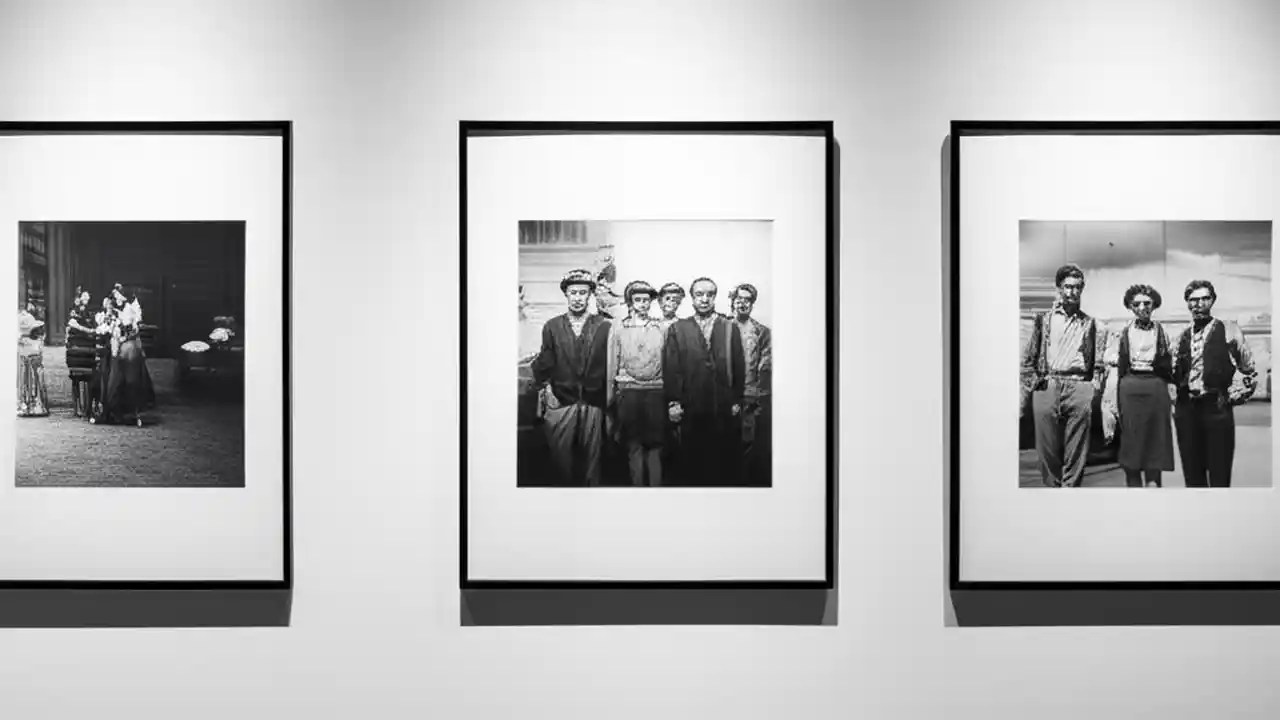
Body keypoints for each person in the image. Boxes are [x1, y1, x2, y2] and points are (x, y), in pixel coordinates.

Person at [1020, 264, 1108, 488]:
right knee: (1046, 447)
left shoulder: (1091, 323)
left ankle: (1070, 493)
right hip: (1048, 384)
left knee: (1077, 448)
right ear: (1058, 288)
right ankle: (1052, 491)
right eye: (1067, 287)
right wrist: (1032, 383)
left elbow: (1098, 361)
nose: (1072, 292)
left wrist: (1092, 388)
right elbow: (1028, 358)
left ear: (1082, 289)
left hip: (1079, 385)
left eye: (1077, 287)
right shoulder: (1043, 320)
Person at [1171, 279, 1258, 488]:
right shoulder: (1180, 336)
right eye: (1193, 300)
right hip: (1187, 410)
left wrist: (1238, 394)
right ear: (1187, 303)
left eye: (1204, 299)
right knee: (1192, 474)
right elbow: (1172, 374)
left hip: (1216, 408)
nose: (1198, 304)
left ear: (1212, 301)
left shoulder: (1229, 330)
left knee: (1219, 473)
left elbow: (1249, 369)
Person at [530, 269, 612, 486]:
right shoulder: (553, 326)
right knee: (561, 459)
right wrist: (545, 391)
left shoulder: (604, 325)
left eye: (583, 293)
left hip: (594, 401)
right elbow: (545, 362)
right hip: (562, 400)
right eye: (573, 292)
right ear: (566, 294)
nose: (577, 298)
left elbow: (611, 363)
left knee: (593, 461)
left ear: (590, 295)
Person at [662, 277, 746, 486]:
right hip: (692, 405)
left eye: (709, 294)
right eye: (699, 294)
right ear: (692, 298)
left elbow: (739, 364)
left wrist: (736, 399)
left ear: (715, 297)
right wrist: (674, 402)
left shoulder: (728, 327)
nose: (705, 299)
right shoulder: (678, 328)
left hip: (722, 404)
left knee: (722, 460)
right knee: (691, 460)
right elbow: (672, 368)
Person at [1103, 284, 1175, 488]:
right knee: (1132, 443)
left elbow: (1170, 361)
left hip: (1155, 387)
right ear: (1130, 307)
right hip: (1130, 387)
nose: (1142, 307)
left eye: (1147, 303)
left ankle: (1154, 489)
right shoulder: (1121, 331)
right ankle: (1133, 492)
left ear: (1154, 305)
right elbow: (1109, 357)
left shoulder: (1162, 331)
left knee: (1156, 443)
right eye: (1137, 304)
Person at [605, 281, 667, 487]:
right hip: (629, 392)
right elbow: (612, 362)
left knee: (656, 445)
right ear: (630, 303)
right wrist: (610, 399)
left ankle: (656, 489)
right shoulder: (619, 328)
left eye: (646, 300)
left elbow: (668, 361)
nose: (642, 304)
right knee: (633, 444)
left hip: (655, 391)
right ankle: (638, 490)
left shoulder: (661, 328)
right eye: (637, 300)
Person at [730, 283, 773, 487]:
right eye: (739, 298)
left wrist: (755, 397)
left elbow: (764, 369)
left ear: (752, 304)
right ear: (732, 301)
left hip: (749, 396)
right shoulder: (723, 327)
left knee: (747, 443)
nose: (742, 303)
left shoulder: (762, 332)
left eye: (747, 300)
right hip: (724, 396)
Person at [66, 287, 97, 417]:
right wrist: (88, 331)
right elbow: (72, 325)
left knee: (90, 377)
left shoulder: (90, 313)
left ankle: (88, 406)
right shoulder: (74, 312)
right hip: (76, 349)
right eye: (83, 296)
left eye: (87, 296)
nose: (86, 298)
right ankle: (77, 407)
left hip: (87, 349)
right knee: (76, 378)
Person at [17, 303, 49, 418]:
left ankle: (33, 404)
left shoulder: (32, 341)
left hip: (32, 365)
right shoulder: (26, 341)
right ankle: (30, 404)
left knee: (30, 381)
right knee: (27, 381)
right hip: (29, 365)